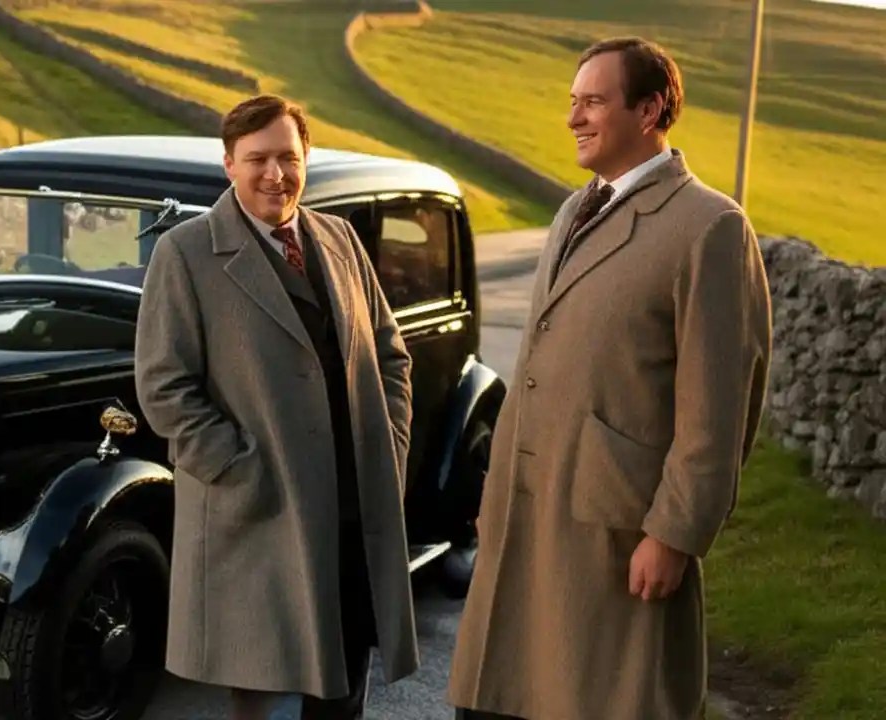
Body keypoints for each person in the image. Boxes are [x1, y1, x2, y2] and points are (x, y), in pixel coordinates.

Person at [446, 37, 773, 720]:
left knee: (597, 697)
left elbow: (718, 407)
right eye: (573, 101)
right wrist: (498, 487)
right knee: (499, 696)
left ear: (650, 109)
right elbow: (538, 362)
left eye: (593, 101)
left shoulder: (709, 227)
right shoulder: (574, 209)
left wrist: (675, 534)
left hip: (617, 532)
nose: (573, 118)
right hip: (530, 509)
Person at [134, 94, 419, 719]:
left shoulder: (339, 237)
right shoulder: (184, 253)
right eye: (257, 158)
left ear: (306, 159)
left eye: (288, 157)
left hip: (351, 505)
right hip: (257, 508)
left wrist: (387, 447)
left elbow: (392, 356)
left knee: (345, 680)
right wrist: (237, 467)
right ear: (229, 165)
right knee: (258, 690)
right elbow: (163, 385)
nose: (275, 174)